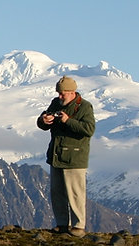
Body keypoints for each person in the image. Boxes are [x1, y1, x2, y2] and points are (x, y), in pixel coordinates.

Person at [36, 76, 96, 236]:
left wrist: (68, 121)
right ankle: (62, 224)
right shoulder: (56, 104)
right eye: (59, 93)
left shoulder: (84, 107)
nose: (60, 96)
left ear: (72, 92)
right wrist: (44, 120)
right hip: (57, 156)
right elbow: (42, 123)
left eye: (63, 94)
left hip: (75, 158)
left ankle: (78, 226)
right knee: (57, 192)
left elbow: (89, 129)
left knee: (75, 193)